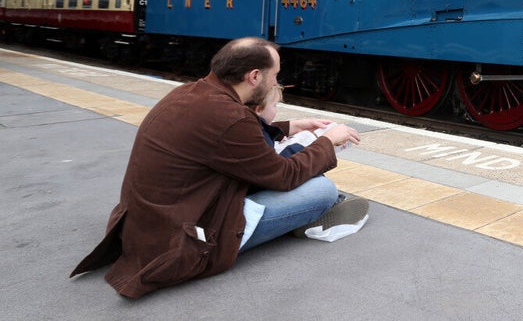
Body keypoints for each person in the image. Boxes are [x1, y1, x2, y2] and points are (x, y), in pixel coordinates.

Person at [71, 37, 364, 298]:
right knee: (321, 190)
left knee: (298, 177)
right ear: (254, 76)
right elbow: (283, 176)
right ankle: (307, 216)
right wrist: (327, 142)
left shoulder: (190, 93)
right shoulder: (230, 117)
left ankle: (301, 216)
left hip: (147, 226)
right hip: (182, 241)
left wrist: (290, 127)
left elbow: (230, 139)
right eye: (274, 76)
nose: (277, 82)